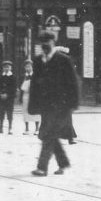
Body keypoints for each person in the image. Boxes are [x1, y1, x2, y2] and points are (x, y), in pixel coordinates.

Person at [27, 31, 79, 176]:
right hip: (46, 106)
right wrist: (33, 104)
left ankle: (42, 168)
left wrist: (73, 103)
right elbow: (34, 84)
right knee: (50, 134)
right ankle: (63, 163)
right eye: (42, 43)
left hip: (62, 105)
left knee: (49, 134)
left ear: (53, 43)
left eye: (47, 42)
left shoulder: (64, 60)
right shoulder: (38, 61)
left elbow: (73, 82)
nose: (45, 45)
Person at [0, 60, 17, 134]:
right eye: (5, 67)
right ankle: (0, 127)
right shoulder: (0, 77)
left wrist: (8, 95)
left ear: (11, 68)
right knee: (1, 112)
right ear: (3, 68)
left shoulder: (13, 77)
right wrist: (0, 95)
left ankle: (10, 128)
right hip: (1, 99)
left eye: (8, 67)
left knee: (10, 113)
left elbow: (14, 89)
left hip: (10, 99)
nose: (6, 68)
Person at [20, 59, 40, 135]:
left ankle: (37, 129)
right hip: (25, 95)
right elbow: (20, 87)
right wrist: (20, 97)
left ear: (32, 67)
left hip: (34, 96)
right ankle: (27, 129)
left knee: (36, 112)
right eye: (26, 67)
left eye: (29, 66)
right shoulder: (23, 76)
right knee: (25, 111)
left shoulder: (35, 76)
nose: (27, 68)